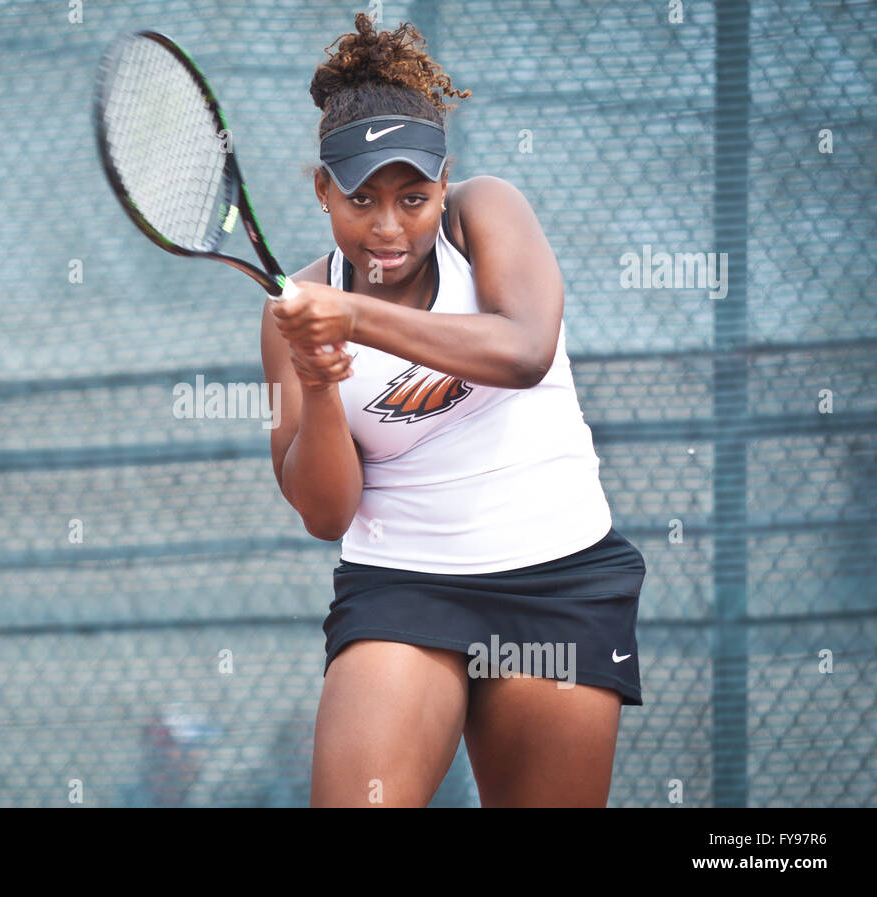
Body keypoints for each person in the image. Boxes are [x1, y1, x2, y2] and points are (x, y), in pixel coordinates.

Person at [260, 13, 648, 808]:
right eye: (361, 198)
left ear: (445, 182)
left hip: (560, 577)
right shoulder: (291, 311)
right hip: (403, 586)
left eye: (414, 196)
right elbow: (326, 512)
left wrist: (357, 319)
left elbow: (523, 349)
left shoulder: (487, 212)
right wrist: (322, 378)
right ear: (321, 190)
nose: (388, 226)